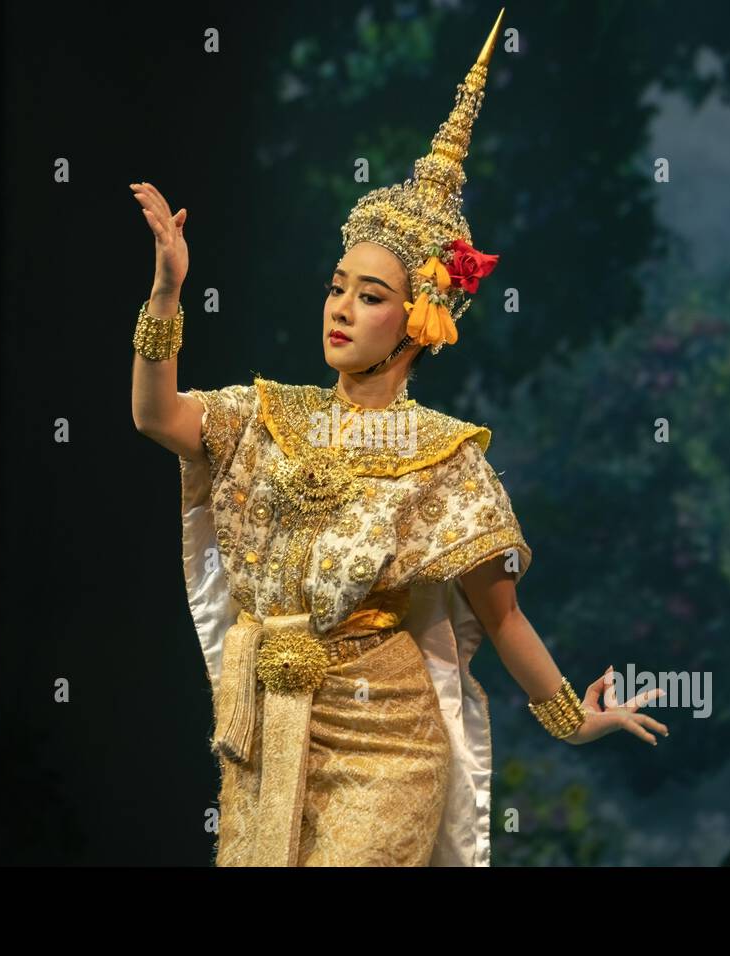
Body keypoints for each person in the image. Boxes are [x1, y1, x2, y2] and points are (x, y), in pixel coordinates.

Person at [129, 7, 668, 866]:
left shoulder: (447, 459)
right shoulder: (271, 419)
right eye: (338, 285)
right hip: (270, 729)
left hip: (387, 746)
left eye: (371, 295)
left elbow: (505, 619)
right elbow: (157, 417)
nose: (342, 308)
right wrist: (167, 291)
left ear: (417, 319)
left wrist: (574, 719)